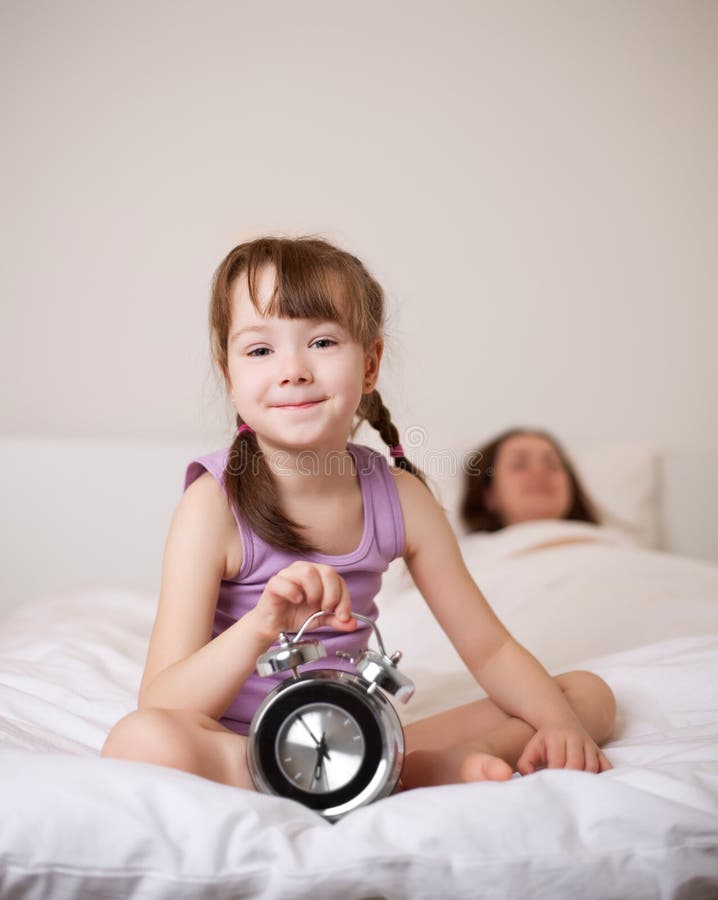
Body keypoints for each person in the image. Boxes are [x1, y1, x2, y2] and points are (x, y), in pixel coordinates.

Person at [101, 236, 616, 791]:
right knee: (139, 739)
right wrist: (262, 626)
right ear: (229, 373)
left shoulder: (401, 499)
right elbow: (162, 700)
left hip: (360, 730)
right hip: (242, 744)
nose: (293, 370)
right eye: (259, 350)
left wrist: (561, 725)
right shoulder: (212, 504)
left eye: (321, 341)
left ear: (370, 365)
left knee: (589, 697)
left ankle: (389, 767)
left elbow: (490, 650)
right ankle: (373, 777)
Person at [461, 428, 603, 553]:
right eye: (519, 465)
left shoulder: (614, 539)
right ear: (488, 495)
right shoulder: (468, 556)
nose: (540, 472)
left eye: (553, 465)